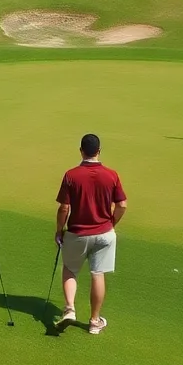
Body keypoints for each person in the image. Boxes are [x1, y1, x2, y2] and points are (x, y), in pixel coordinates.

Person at [54, 133, 127, 335]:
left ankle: (69, 309)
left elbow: (64, 208)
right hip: (104, 234)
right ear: (99, 151)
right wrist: (111, 223)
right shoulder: (111, 175)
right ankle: (94, 321)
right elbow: (122, 205)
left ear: (81, 151)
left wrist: (59, 230)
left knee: (70, 269)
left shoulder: (71, 175)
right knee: (97, 274)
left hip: (77, 233)